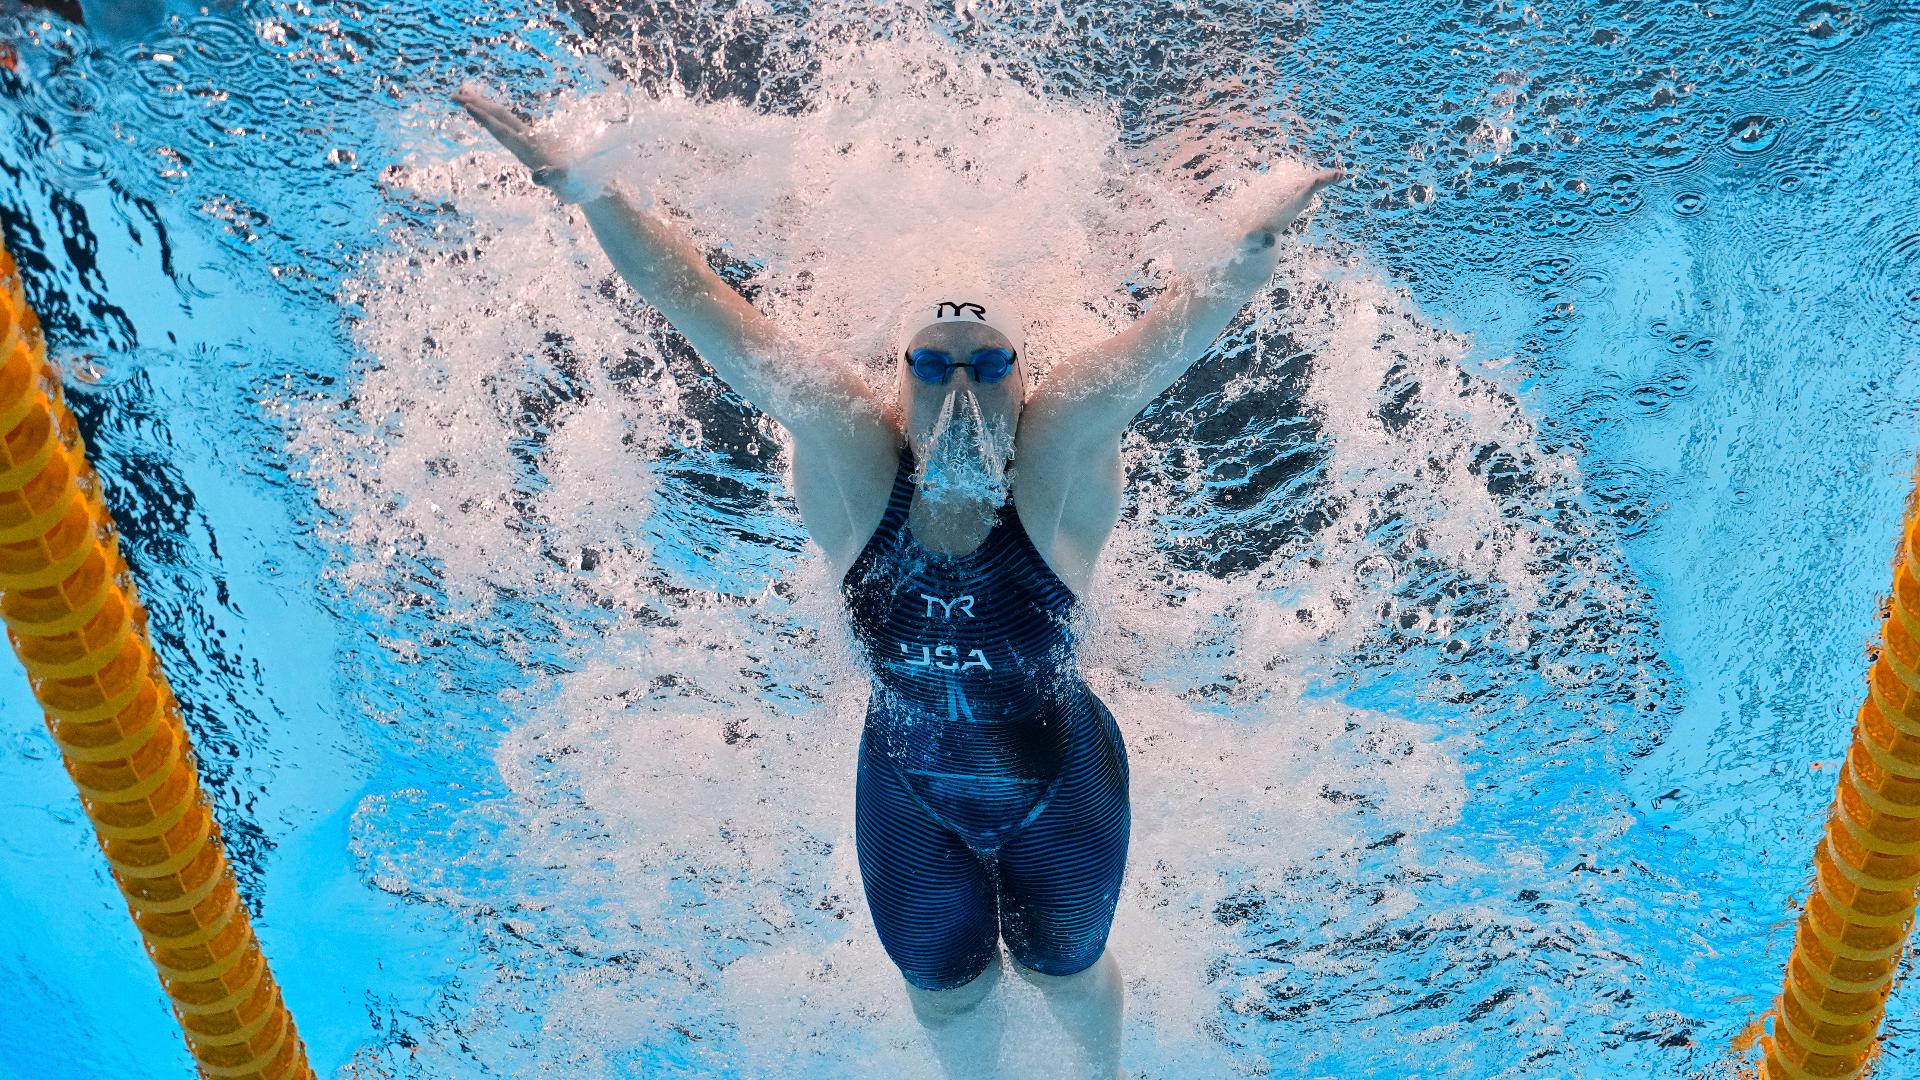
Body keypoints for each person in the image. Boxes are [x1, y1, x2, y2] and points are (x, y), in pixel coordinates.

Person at [456, 86, 1343, 1080]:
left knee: (1062, 971)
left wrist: (1252, 238)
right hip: (907, 785)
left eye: (987, 361)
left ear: (1022, 375)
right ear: (898, 374)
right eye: (933, 361)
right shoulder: (848, 450)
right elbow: (699, 306)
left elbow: (1170, 338)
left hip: (1057, 776)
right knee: (946, 990)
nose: (959, 385)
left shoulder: (1054, 463)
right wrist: (585, 188)